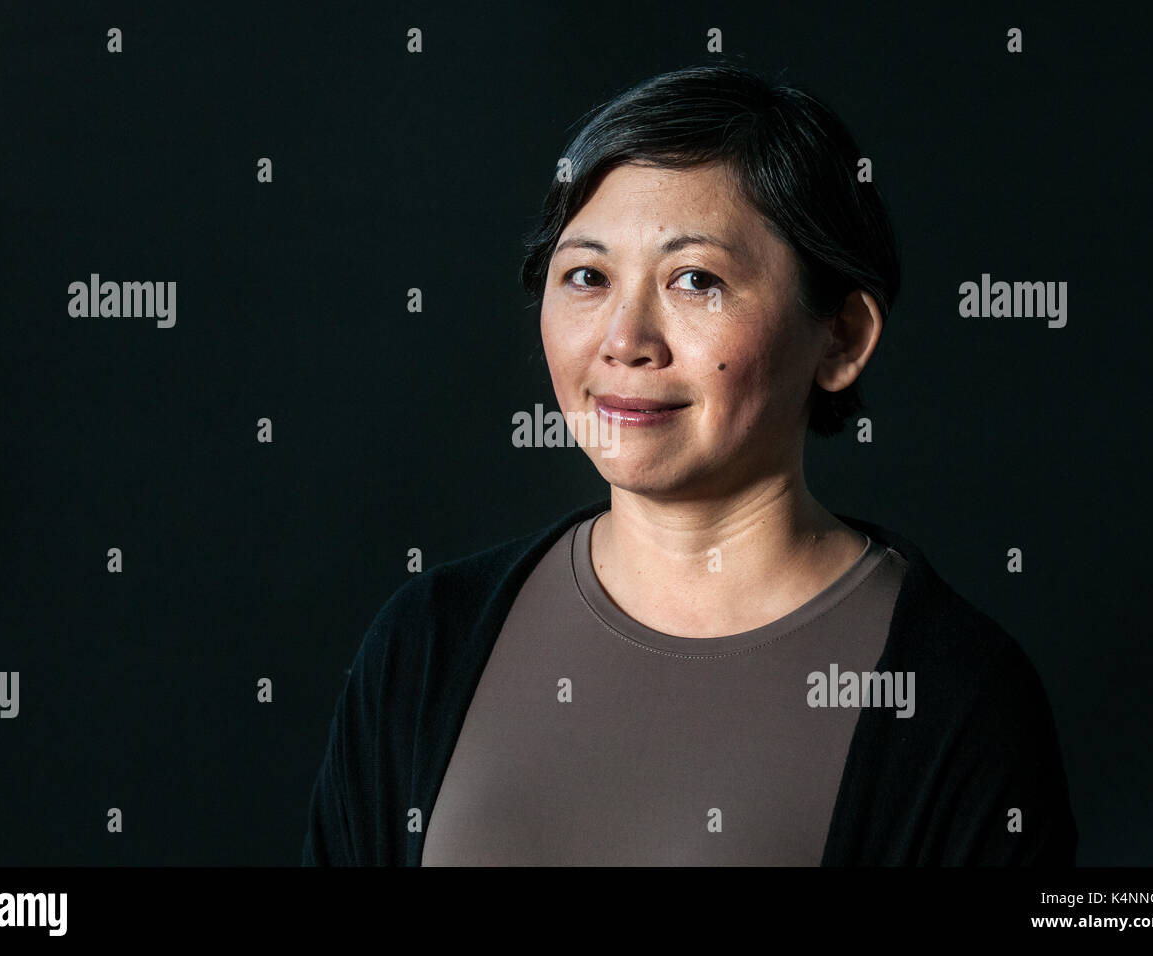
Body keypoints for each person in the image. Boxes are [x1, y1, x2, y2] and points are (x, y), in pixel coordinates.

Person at [302, 63, 1077, 866]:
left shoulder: (953, 696)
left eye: (696, 279)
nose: (625, 338)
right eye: (587, 277)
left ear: (841, 338)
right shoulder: (426, 642)